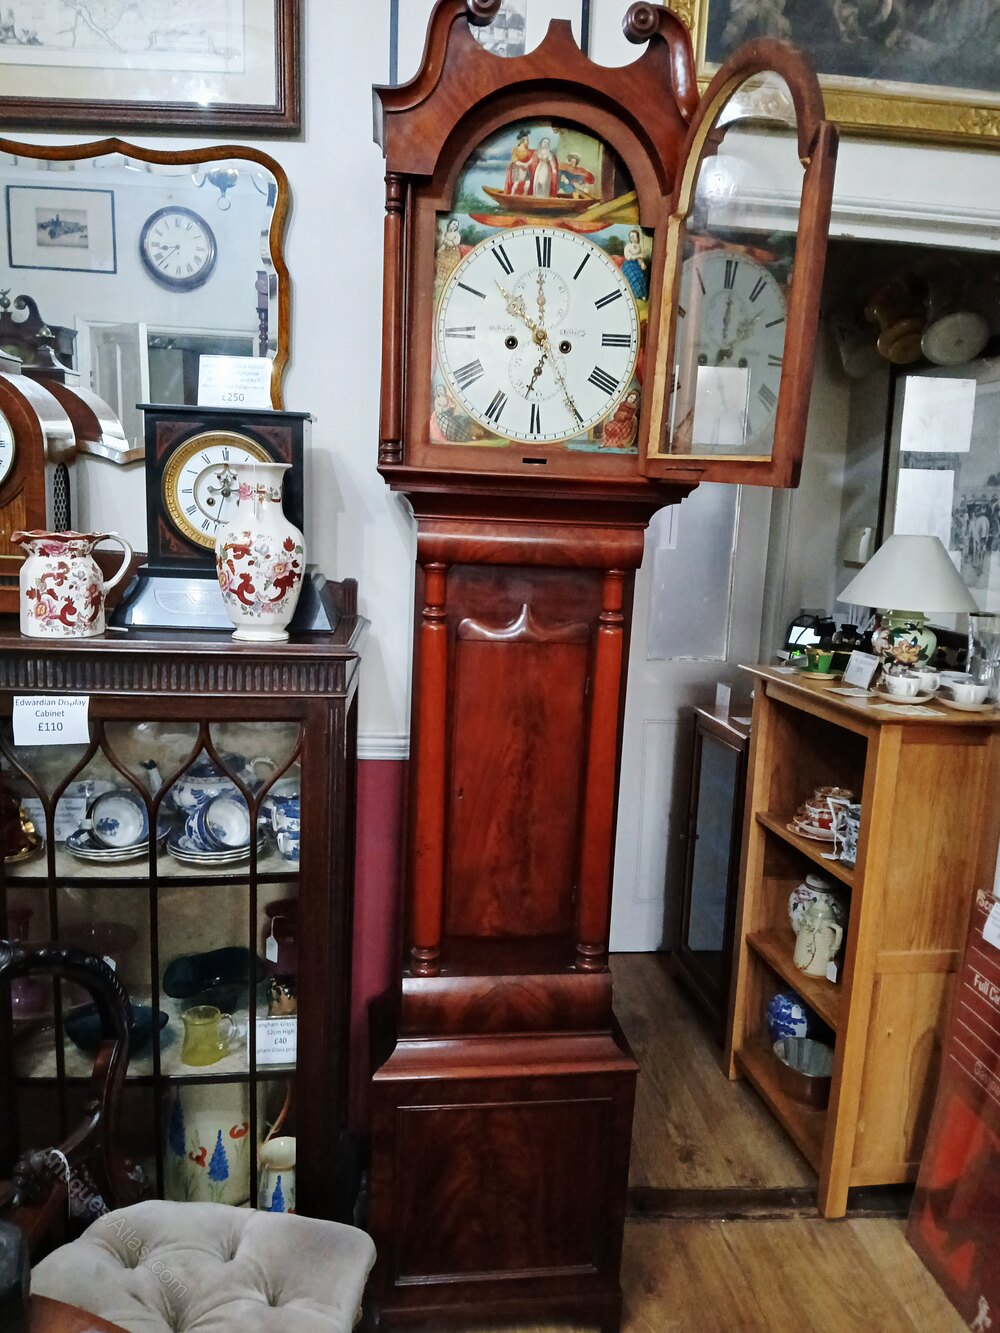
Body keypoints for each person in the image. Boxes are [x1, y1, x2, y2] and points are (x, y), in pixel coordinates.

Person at [504, 129, 534, 195]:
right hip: (518, 168)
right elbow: (515, 161)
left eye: (528, 140)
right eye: (527, 140)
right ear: (522, 141)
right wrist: (524, 164)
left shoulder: (528, 151)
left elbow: (532, 158)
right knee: (516, 183)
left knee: (528, 183)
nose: (528, 142)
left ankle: (525, 195)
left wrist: (527, 164)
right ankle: (512, 194)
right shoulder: (515, 150)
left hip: (525, 168)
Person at [622, 229, 648, 300]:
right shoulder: (628, 246)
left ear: (637, 237)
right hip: (629, 265)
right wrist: (639, 256)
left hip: (637, 264)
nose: (632, 238)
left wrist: (642, 264)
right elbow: (628, 257)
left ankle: (641, 294)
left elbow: (640, 258)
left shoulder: (639, 247)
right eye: (631, 237)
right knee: (633, 276)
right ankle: (632, 294)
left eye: (634, 236)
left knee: (641, 276)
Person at [435, 217, 463, 283]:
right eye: (454, 224)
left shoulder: (456, 234)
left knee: (451, 266)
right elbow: (442, 243)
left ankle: (450, 280)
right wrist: (440, 250)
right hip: (444, 252)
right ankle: (442, 279)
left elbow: (455, 242)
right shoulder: (444, 233)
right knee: (441, 265)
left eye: (456, 225)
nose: (455, 226)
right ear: (449, 224)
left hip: (453, 253)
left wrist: (447, 242)